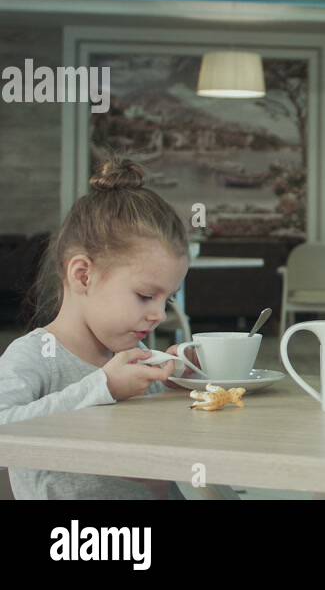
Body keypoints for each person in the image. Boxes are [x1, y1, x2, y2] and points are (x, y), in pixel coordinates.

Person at [0, 158, 190, 499]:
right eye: (146, 295)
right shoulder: (36, 357)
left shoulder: (136, 357)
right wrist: (103, 387)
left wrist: (178, 390)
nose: (159, 314)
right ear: (83, 275)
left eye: (168, 299)